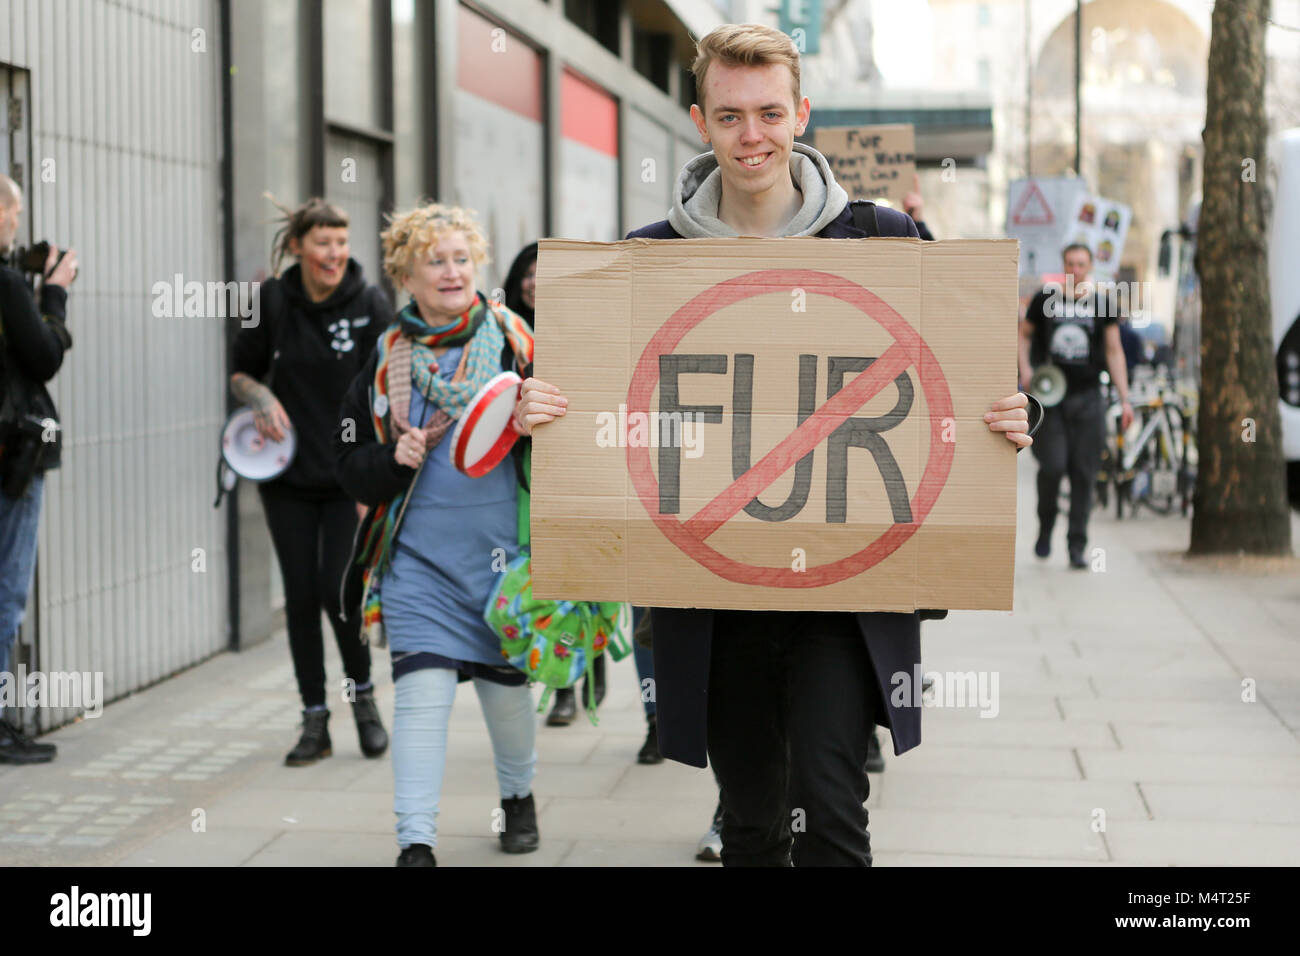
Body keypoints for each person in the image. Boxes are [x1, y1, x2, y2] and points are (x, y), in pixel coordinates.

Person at [514, 23, 1033, 867]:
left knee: (832, 815)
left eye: (768, 113)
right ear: (698, 119)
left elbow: (969, 382)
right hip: (711, 596)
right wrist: (550, 413)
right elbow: (609, 412)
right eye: (729, 116)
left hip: (843, 590)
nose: (750, 136)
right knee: (750, 825)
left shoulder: (885, 241)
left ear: (802, 114)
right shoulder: (650, 261)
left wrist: (1018, 416)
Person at [335, 203, 541, 867]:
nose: (452, 272)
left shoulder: (517, 342)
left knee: (507, 700)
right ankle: (415, 843)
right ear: (405, 274)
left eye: (460, 258)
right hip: (417, 565)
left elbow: (567, 436)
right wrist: (390, 458)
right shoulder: (386, 361)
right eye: (435, 260)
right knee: (421, 702)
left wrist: (540, 420)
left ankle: (518, 798)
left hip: (503, 562)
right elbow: (348, 469)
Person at [230, 198, 392, 766]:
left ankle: (365, 701)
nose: (335, 253)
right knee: (300, 594)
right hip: (286, 475)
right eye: (323, 242)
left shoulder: (371, 303)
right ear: (298, 246)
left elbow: (387, 390)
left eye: (342, 242)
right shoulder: (269, 301)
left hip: (349, 475)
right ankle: (314, 722)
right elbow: (240, 370)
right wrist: (262, 394)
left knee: (337, 590)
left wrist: (379, 478)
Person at [504, 240, 608, 726]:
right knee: (548, 576)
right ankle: (563, 681)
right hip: (527, 475)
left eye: (541, 272)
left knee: (584, 576)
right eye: (526, 272)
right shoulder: (502, 337)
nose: (533, 281)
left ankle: (590, 666)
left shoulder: (583, 329)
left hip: (581, 468)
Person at [0, 174, 77, 764]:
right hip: (11, 460)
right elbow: (45, 355)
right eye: (14, 212)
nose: (17, 224)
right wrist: (52, 293)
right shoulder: (5, 282)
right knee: (6, 592)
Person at [1019, 243, 1133, 568]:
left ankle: (1077, 546)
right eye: (1070, 263)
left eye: (1081, 264)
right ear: (1063, 265)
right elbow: (1023, 335)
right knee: (1052, 467)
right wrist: (1025, 371)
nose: (1076, 269)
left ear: (1090, 267)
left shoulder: (1102, 304)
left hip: (1088, 398)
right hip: (1051, 400)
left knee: (1084, 475)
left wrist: (1125, 400)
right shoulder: (1046, 299)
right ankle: (1045, 528)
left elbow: (1114, 351)